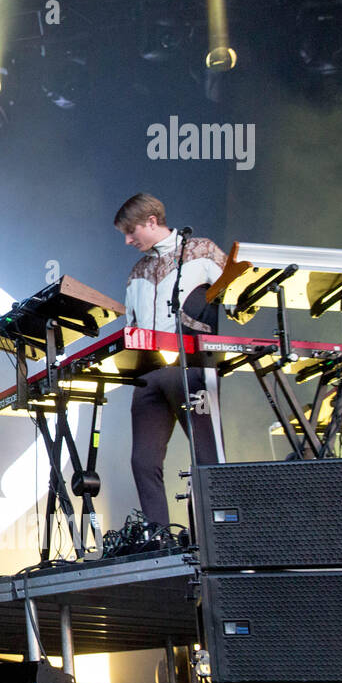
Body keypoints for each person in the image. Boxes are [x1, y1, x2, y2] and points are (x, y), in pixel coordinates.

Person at [114, 193, 226, 528]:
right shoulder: (137, 270)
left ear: (151, 220)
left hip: (191, 365)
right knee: (143, 461)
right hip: (148, 374)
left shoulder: (202, 250)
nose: (127, 240)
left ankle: (220, 534)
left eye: (131, 231)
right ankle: (157, 539)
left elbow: (240, 298)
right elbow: (131, 326)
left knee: (208, 456)